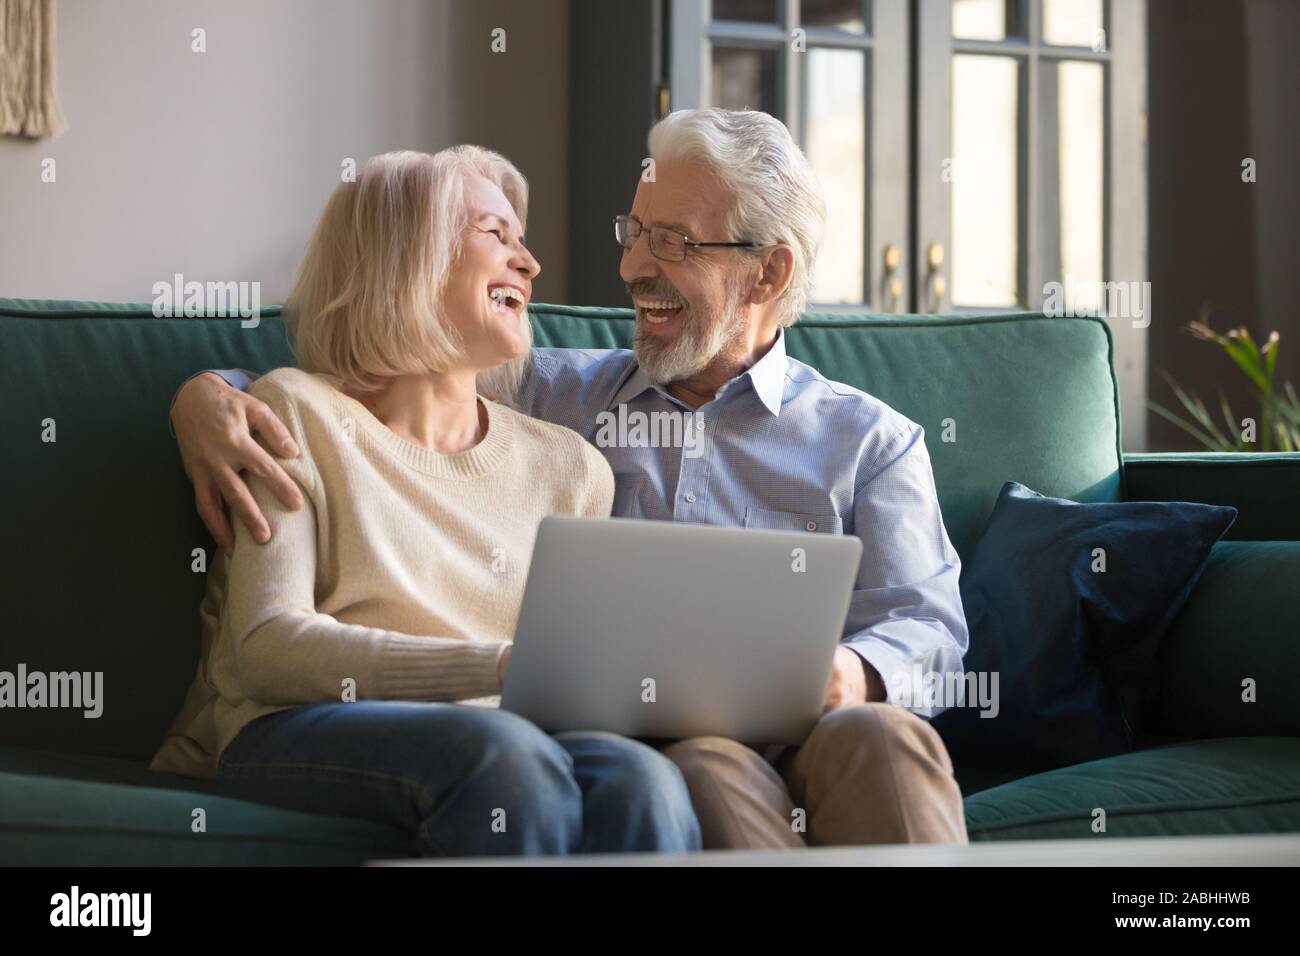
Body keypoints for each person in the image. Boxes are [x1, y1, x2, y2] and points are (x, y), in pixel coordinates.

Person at [170, 110, 971, 850]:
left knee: (887, 737)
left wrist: (854, 674)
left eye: (674, 242)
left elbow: (931, 631)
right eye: (635, 232)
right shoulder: (554, 394)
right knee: (699, 769)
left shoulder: (871, 441)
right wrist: (204, 398)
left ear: (768, 275)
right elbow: (377, 370)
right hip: (669, 739)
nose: (632, 267)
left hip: (822, 724)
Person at [150, 146, 701, 858]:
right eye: (495, 235)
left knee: (644, 780)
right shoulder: (291, 412)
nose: (529, 264)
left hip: (502, 733)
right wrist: (494, 667)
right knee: (503, 756)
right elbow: (264, 648)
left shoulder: (571, 469)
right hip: (294, 725)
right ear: (407, 257)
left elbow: (568, 674)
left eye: (522, 241)